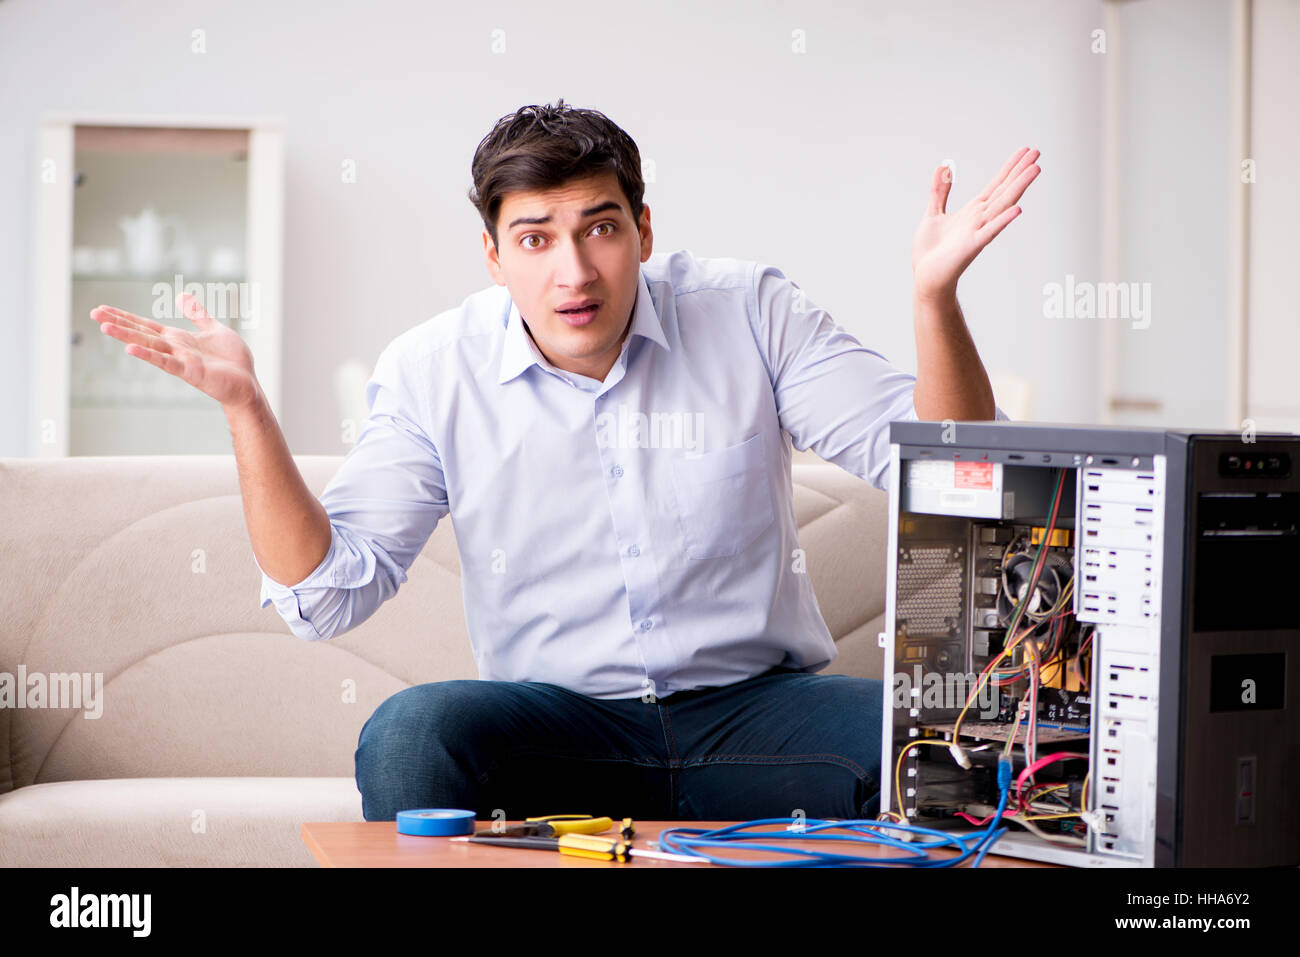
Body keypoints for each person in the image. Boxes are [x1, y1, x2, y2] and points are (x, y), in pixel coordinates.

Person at [91, 99, 1032, 823]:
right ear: (495, 255)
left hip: (756, 718)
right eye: (536, 238)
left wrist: (934, 299)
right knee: (414, 733)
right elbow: (327, 591)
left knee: (958, 753)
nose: (573, 272)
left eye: (601, 227)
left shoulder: (746, 310)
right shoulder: (433, 370)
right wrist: (249, 411)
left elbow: (949, 475)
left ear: (644, 232)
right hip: (560, 729)